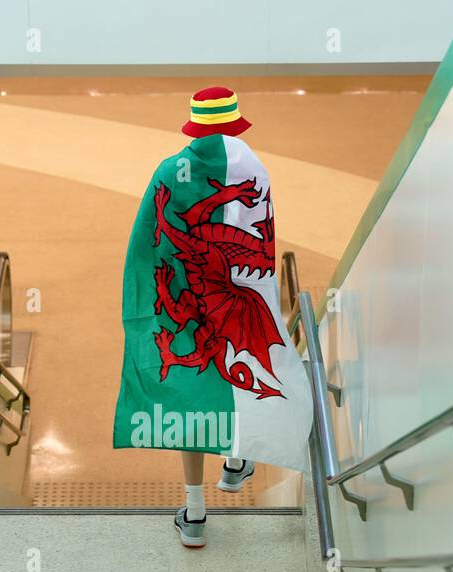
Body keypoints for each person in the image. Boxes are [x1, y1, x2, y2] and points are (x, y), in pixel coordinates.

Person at [112, 86, 312, 548]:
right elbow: (262, 246)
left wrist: (150, 290)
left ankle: (196, 510)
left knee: (191, 398)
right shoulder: (255, 168)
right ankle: (238, 459)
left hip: (187, 304)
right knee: (237, 380)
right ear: (236, 122)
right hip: (234, 301)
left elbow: (148, 244)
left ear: (194, 126)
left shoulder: (169, 170)